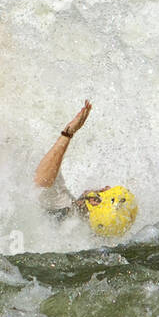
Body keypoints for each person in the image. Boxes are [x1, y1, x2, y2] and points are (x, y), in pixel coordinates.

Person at [32, 100, 137, 237]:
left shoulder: (62, 207)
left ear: (94, 202)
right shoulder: (80, 234)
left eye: (106, 190)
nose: (104, 187)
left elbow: (41, 182)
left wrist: (68, 133)